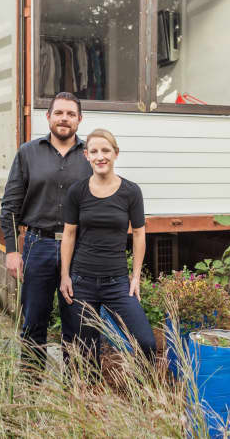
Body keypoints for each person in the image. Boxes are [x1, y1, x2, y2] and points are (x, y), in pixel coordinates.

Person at [0, 92, 92, 369]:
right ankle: (31, 382)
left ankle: (75, 388)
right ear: (48, 116)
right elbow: (11, 206)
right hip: (38, 246)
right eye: (59, 113)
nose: (64, 119)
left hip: (79, 249)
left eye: (71, 114)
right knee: (34, 320)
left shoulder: (91, 154)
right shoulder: (28, 152)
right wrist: (13, 251)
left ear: (79, 119)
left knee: (77, 322)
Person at [59, 128, 157, 366]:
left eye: (105, 150)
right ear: (87, 156)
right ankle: (90, 397)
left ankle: (143, 392)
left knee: (146, 343)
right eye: (94, 151)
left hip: (117, 283)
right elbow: (69, 234)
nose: (100, 156)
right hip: (82, 281)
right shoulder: (77, 192)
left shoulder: (131, 192)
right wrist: (65, 276)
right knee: (86, 350)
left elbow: (139, 234)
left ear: (116, 154)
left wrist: (135, 277)